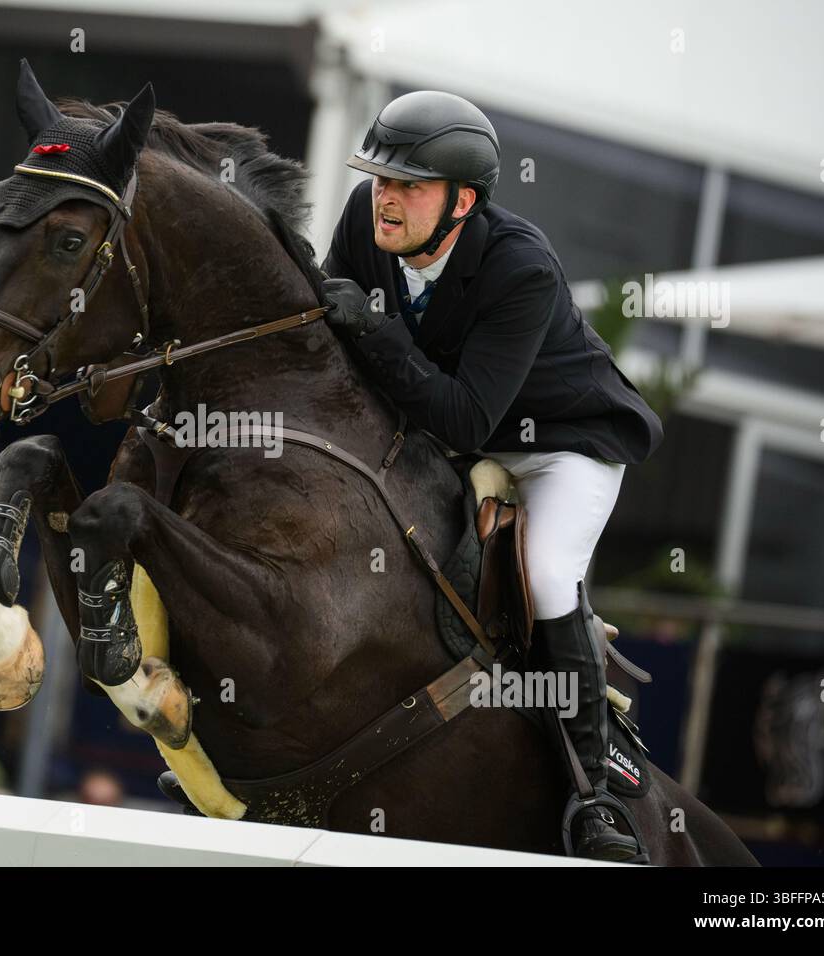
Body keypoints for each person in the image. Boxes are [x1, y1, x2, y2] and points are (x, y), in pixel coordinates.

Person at [321, 91, 663, 862]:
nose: (385, 196)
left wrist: (369, 325)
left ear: (462, 201)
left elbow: (466, 418)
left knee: (546, 576)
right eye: (381, 178)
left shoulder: (520, 267)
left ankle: (594, 797)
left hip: (560, 446)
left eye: (407, 185)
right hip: (454, 434)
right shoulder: (362, 222)